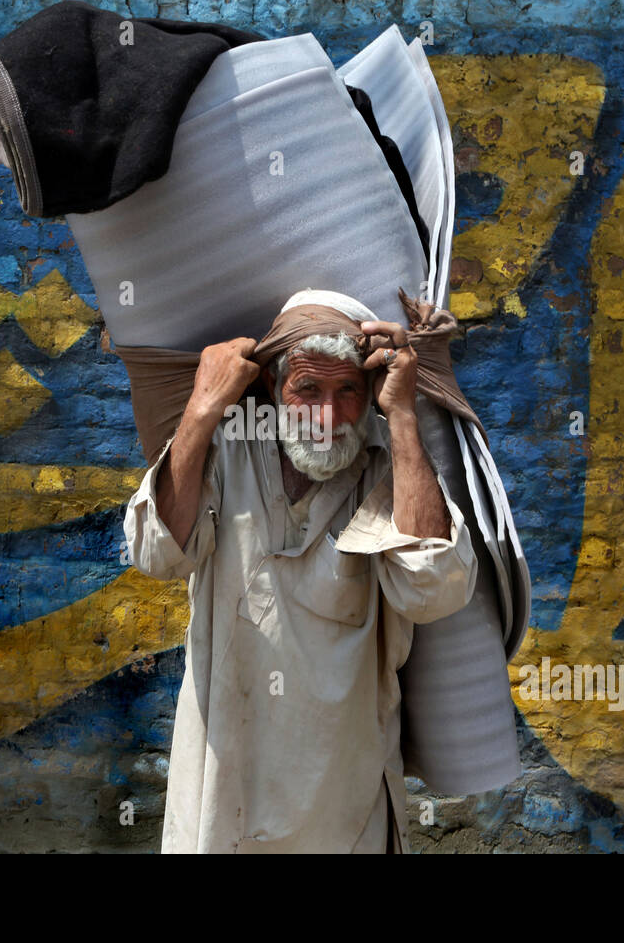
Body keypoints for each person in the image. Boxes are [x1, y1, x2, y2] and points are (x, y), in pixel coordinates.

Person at [122, 289, 478, 853]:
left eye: (348, 393)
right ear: (272, 386)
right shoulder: (226, 454)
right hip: (224, 788)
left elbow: (432, 590)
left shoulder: (386, 470)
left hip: (345, 798)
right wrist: (201, 408)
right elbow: (155, 554)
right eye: (307, 389)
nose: (327, 416)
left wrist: (404, 414)